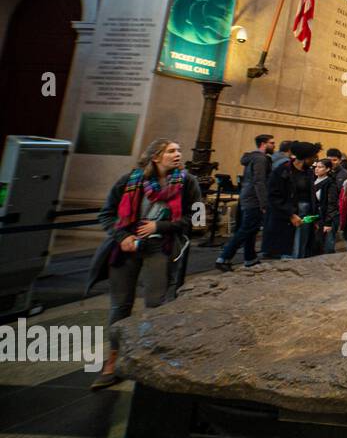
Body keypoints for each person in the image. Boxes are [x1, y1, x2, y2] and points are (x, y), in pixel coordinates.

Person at [89, 138, 202, 389]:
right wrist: (123, 236)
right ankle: (113, 361)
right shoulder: (130, 181)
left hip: (160, 247)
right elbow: (107, 214)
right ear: (155, 157)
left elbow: (196, 217)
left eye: (178, 150)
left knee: (156, 304)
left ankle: (150, 358)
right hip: (126, 248)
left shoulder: (187, 183)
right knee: (120, 305)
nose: (177, 154)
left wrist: (159, 225)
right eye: (171, 151)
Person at [215, 133, 274, 271]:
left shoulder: (253, 158)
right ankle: (224, 257)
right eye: (271, 143)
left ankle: (250, 258)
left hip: (247, 196)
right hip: (254, 198)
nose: (273, 145)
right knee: (247, 228)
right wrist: (264, 203)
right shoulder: (260, 159)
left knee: (251, 229)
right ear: (263, 144)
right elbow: (259, 181)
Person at [263, 141, 320, 259]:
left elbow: (311, 195)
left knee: (302, 248)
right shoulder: (282, 171)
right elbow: (274, 196)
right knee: (290, 250)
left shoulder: (309, 172)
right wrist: (290, 214)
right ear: (305, 157)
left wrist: (315, 217)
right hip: (288, 217)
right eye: (313, 157)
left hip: (306, 216)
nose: (315, 160)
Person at [311, 158, 339, 254]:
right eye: (316, 167)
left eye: (320, 167)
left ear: (327, 169)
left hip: (327, 217)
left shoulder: (330, 183)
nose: (317, 169)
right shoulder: (313, 180)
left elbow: (332, 203)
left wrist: (328, 223)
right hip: (316, 217)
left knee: (327, 246)